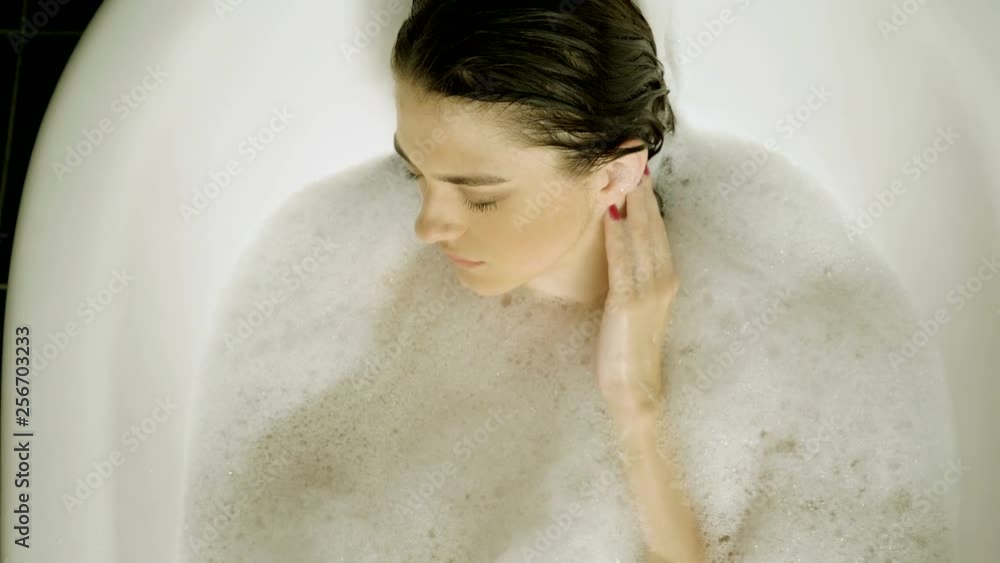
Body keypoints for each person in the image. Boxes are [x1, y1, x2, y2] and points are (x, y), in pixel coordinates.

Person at [391, 1, 707, 560]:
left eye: (479, 195)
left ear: (613, 176)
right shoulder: (387, 294)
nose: (425, 227)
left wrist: (636, 403)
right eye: (413, 171)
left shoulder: (730, 347)